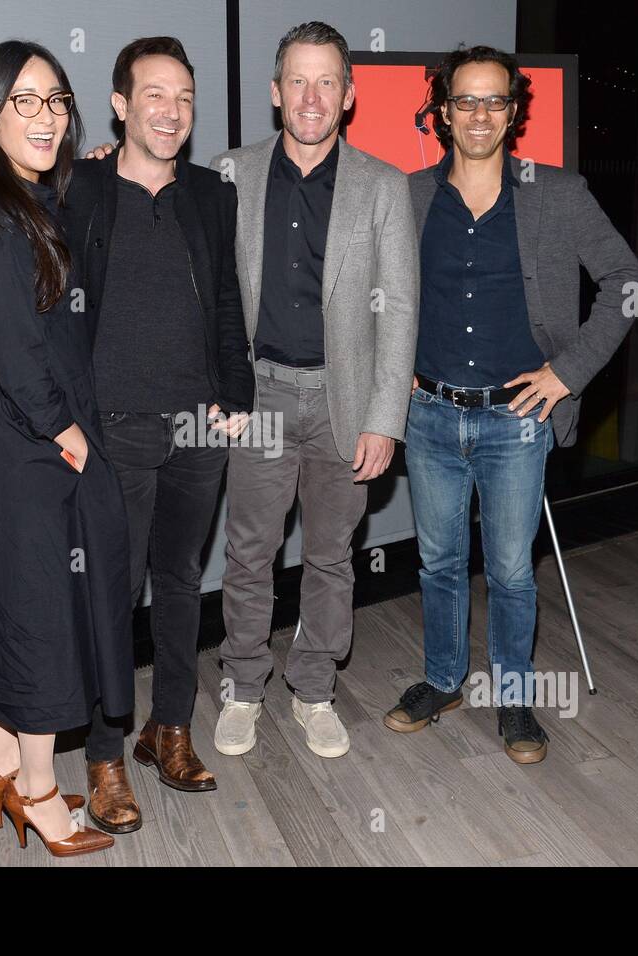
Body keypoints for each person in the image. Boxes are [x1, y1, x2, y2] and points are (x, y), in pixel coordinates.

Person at [384, 46, 638, 764]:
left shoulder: (557, 193)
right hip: (429, 415)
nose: (479, 114)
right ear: (442, 110)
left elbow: (628, 279)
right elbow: (371, 290)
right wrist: (391, 365)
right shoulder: (406, 195)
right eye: (465, 100)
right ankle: (442, 680)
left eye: (494, 101)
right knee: (438, 563)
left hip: (517, 420)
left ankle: (516, 698)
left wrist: (568, 372)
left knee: (510, 570)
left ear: (514, 111)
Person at [0, 39, 129, 856]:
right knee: (43, 626)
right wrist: (70, 434)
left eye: (56, 102)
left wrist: (98, 161)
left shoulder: (20, 202)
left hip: (17, 446)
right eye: (25, 102)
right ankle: (42, 797)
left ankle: (5, 762)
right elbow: (16, 351)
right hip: (24, 452)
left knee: (17, 616)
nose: (46, 118)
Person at [210, 22, 419, 759]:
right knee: (249, 554)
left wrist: (384, 419)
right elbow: (205, 293)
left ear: (349, 95)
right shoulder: (228, 174)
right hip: (260, 398)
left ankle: (316, 688)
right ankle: (241, 686)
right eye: (297, 80)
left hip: (346, 401)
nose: (312, 95)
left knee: (331, 557)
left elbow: (400, 312)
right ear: (275, 93)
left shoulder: (385, 186)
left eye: (327, 80)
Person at [65, 37, 253, 834]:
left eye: (183, 96)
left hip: (197, 422)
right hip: (113, 426)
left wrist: (236, 387)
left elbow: (224, 299)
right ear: (120, 104)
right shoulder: (79, 187)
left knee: (180, 582)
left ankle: (167, 730)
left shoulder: (212, 193)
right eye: (154, 94)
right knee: (113, 589)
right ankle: (103, 754)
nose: (171, 110)